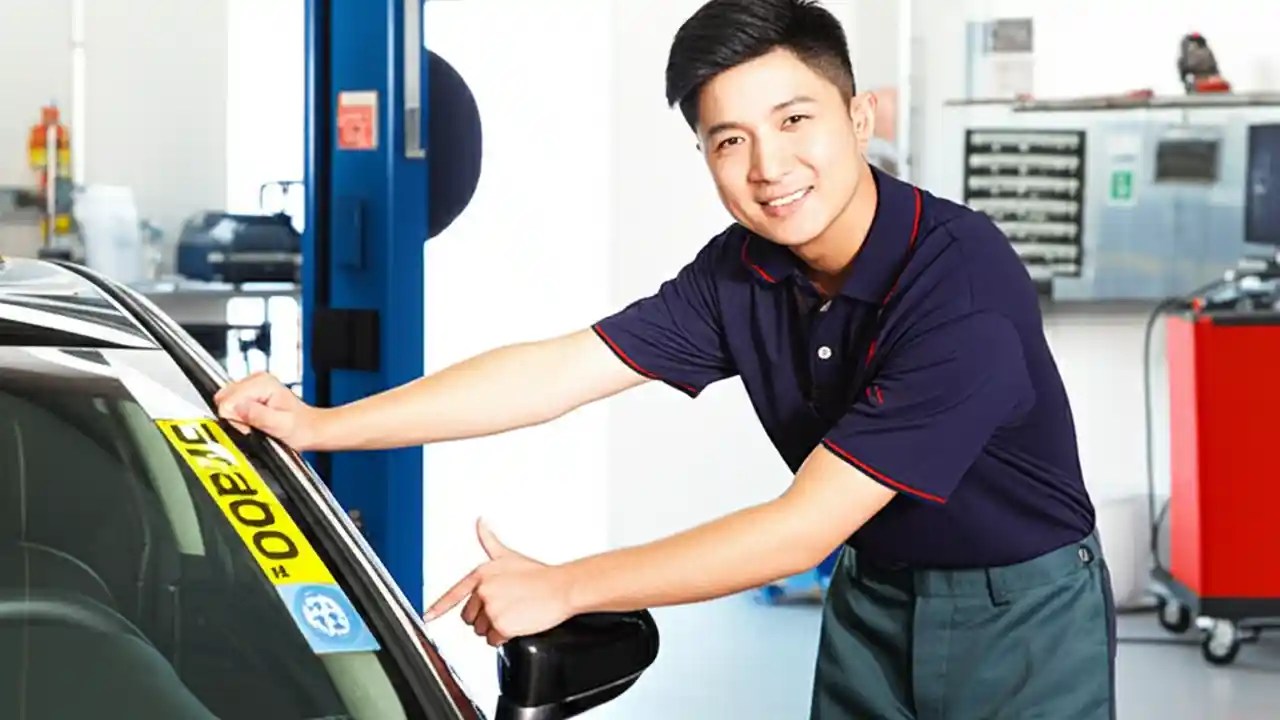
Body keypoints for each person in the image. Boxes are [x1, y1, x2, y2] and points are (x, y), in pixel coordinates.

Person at [214, 0, 1117, 717]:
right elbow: (560, 370)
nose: (768, 167)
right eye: (730, 141)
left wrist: (564, 587)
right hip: (874, 593)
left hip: (1022, 613)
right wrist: (323, 424)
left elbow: (799, 531)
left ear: (859, 114)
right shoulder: (746, 268)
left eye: (794, 118)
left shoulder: (958, 284)